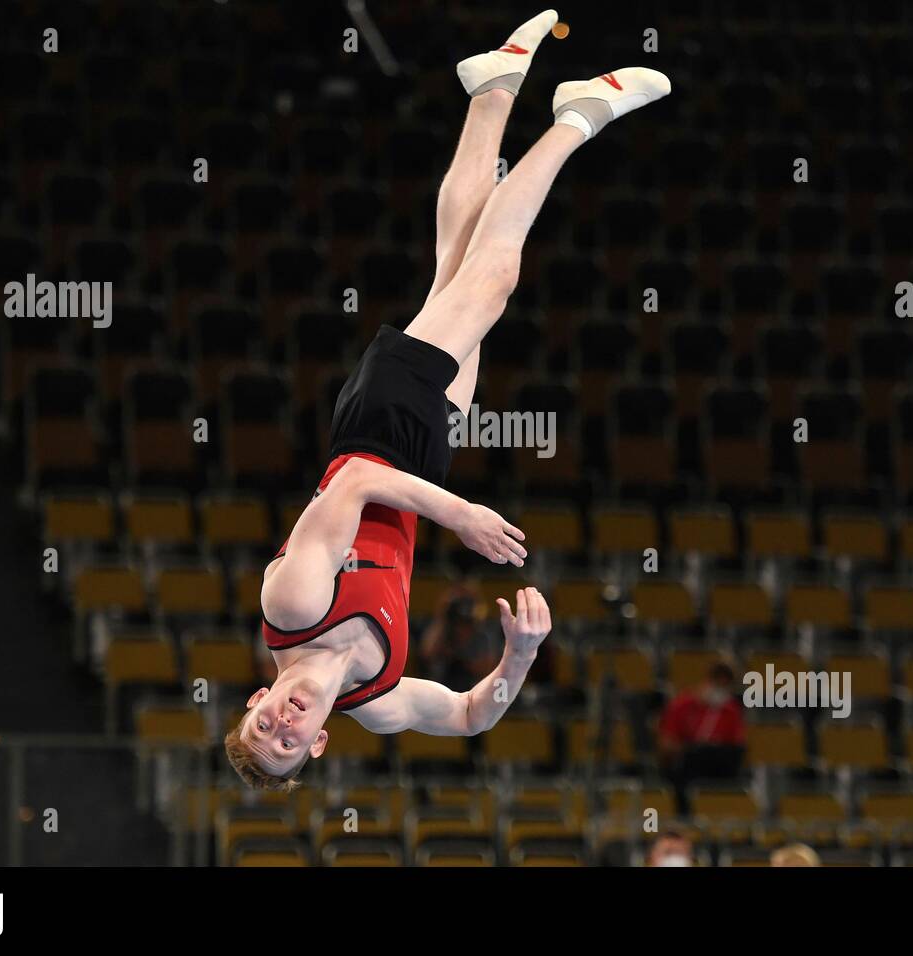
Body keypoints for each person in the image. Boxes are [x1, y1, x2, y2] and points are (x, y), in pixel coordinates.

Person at [225, 9, 672, 790]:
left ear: (258, 696)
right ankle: (492, 88)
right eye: (289, 742)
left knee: (493, 277)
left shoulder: (293, 605)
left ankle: (577, 116)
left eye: (264, 722)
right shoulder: (379, 699)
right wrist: (520, 656)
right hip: (423, 451)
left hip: (376, 431)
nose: (284, 722)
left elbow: (358, 484)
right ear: (318, 745)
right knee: (457, 263)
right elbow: (470, 716)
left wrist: (459, 515)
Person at [658, 660, 747, 811]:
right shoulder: (681, 705)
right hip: (686, 768)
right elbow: (666, 743)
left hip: (719, 770)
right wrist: (687, 749)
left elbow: (737, 746)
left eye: (724, 687)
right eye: (717, 685)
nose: (720, 691)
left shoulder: (731, 711)